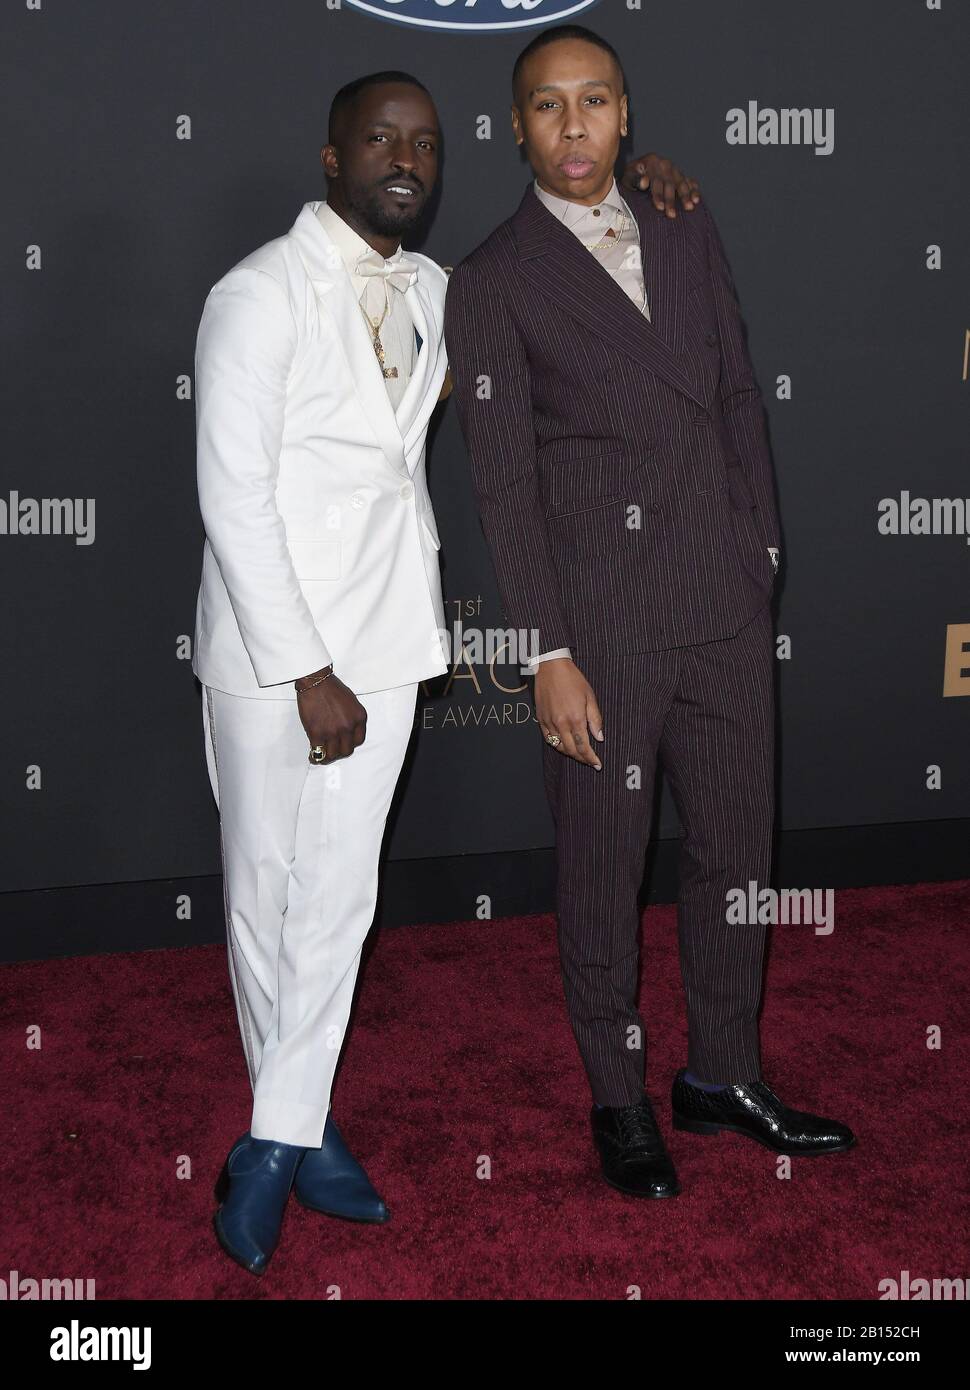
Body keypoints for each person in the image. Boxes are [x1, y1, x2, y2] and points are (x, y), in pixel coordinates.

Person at [192, 67, 697, 1273]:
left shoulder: (440, 286)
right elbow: (233, 499)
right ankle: (290, 1139)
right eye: (379, 138)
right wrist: (304, 664)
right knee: (266, 890)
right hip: (278, 656)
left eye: (423, 141)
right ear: (332, 155)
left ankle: (282, 1133)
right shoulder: (257, 294)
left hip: (388, 641)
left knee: (342, 899)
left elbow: (565, 263)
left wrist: (649, 186)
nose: (403, 158)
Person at [443, 25, 855, 1201]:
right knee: (600, 871)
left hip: (722, 604)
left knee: (736, 855)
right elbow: (504, 488)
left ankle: (721, 1071)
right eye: (546, 106)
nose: (573, 127)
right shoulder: (491, 280)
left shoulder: (682, 218)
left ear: (627, 114)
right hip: (602, 631)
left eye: (594, 101)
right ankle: (620, 1099)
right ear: (515, 125)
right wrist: (548, 653)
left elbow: (734, 386)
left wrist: (757, 549)